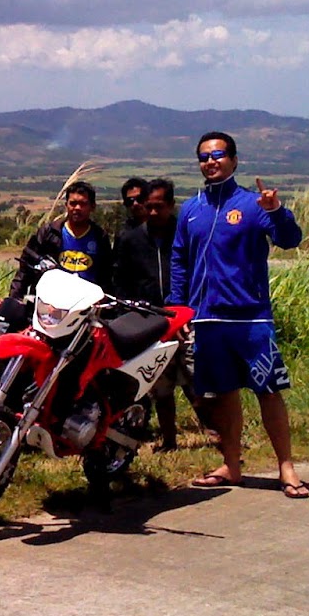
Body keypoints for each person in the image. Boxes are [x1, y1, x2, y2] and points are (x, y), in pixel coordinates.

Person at [167, 133, 309, 498]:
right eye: (204, 157)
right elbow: (179, 260)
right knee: (223, 393)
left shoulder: (252, 203)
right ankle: (231, 464)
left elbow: (290, 239)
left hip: (250, 319)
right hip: (207, 319)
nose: (210, 162)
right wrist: (176, 308)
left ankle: (287, 467)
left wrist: (276, 211)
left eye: (217, 155)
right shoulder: (191, 209)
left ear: (233, 160)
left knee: (269, 391)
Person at [112, 177, 193, 453]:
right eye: (149, 206)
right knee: (161, 386)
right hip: (150, 323)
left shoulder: (185, 234)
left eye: (159, 206)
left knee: (198, 382)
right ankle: (169, 441)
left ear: (171, 205)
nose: (154, 212)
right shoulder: (130, 239)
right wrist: (129, 316)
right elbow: (121, 281)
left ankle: (220, 437)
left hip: (186, 318)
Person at [10, 180, 115, 299]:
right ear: (66, 205)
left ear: (92, 207)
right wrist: (14, 300)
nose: (77, 208)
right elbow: (25, 269)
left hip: (85, 304)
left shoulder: (99, 237)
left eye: (83, 204)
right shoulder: (49, 233)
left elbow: (107, 275)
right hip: (49, 301)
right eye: (73, 203)